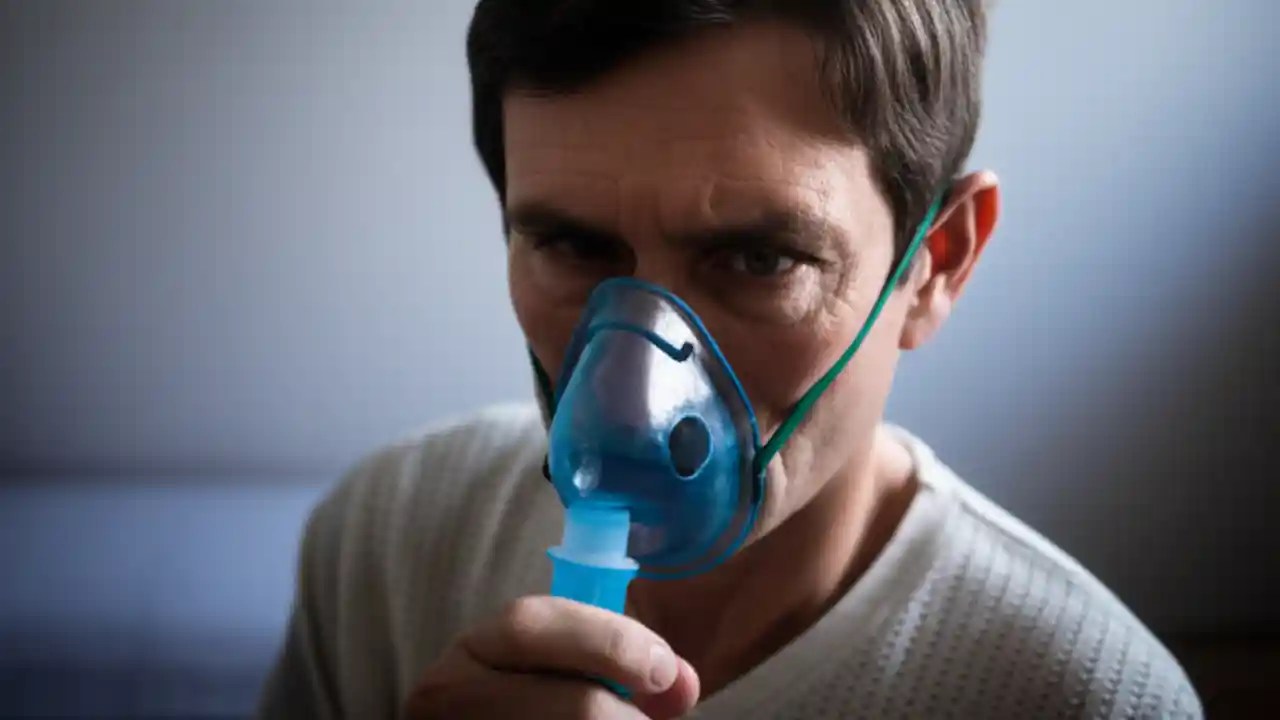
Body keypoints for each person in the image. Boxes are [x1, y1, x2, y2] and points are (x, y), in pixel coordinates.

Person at [259, 1, 1202, 718]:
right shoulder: (382, 547)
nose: (632, 390)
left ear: (934, 264)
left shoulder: (1089, 697)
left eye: (760, 260)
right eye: (572, 248)